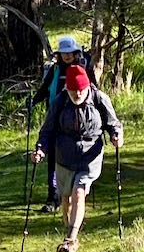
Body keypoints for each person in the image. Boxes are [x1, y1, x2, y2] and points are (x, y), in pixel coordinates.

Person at [33, 65, 122, 252]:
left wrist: (117, 135)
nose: (78, 93)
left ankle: (70, 239)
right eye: (73, 90)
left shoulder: (99, 99)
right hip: (64, 156)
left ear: (88, 86)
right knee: (66, 198)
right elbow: (47, 129)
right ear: (67, 89)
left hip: (90, 156)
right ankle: (69, 230)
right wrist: (40, 148)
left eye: (81, 89)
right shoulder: (60, 102)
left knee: (79, 192)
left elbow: (113, 123)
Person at [27, 37, 99, 211]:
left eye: (69, 52)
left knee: (75, 161)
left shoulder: (83, 68)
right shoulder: (55, 69)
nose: (67, 56)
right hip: (56, 118)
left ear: (75, 53)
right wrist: (33, 101)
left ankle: (73, 192)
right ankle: (53, 197)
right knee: (53, 159)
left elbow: (94, 89)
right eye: (63, 53)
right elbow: (45, 88)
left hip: (79, 122)